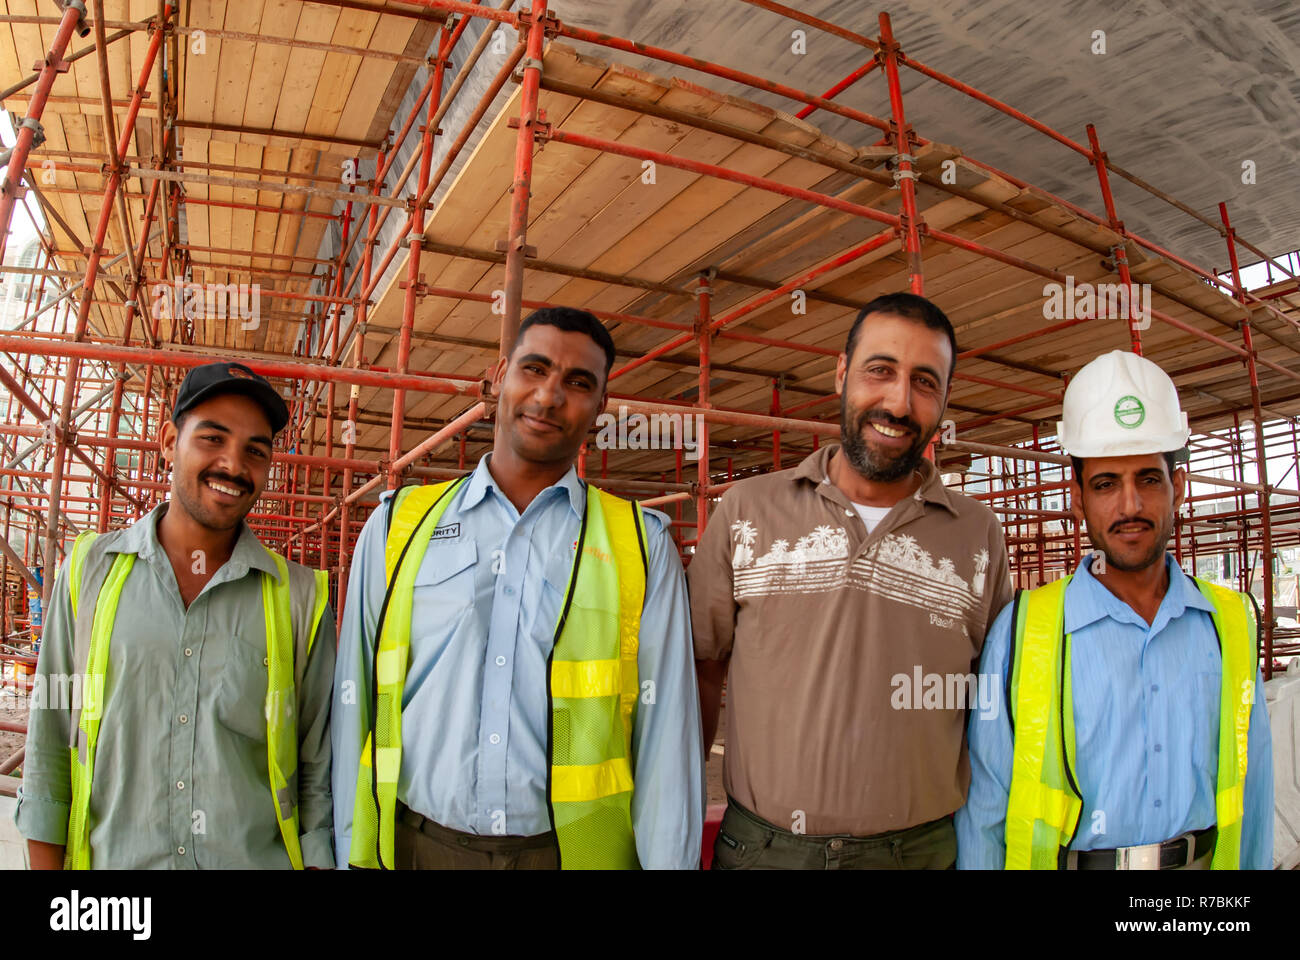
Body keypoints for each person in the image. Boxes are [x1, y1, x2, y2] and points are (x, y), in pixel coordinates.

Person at [333, 307, 703, 870]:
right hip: (415, 848)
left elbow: (665, 742)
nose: (550, 396)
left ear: (601, 406)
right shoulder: (396, 526)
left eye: (578, 383)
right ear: (500, 374)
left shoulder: (641, 546)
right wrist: (348, 852)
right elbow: (354, 701)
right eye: (534, 369)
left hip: (568, 857)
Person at [690, 292, 1013, 869]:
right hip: (764, 851)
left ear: (943, 401)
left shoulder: (978, 534)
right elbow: (702, 667)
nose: (898, 401)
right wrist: (678, 812)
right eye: (880, 371)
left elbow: (994, 700)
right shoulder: (747, 510)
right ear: (842, 374)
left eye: (924, 382)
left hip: (919, 853)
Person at [956, 349, 1273, 869]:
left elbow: (1254, 793)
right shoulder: (1022, 631)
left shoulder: (1230, 623)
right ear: (1077, 497)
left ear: (1180, 489)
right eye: (1106, 484)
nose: (1130, 506)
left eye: (1149, 479)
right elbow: (987, 811)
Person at [16, 362, 336, 869]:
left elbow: (318, 767)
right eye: (213, 438)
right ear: (169, 441)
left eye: (255, 450)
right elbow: (52, 744)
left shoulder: (298, 597)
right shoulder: (89, 573)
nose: (233, 465)